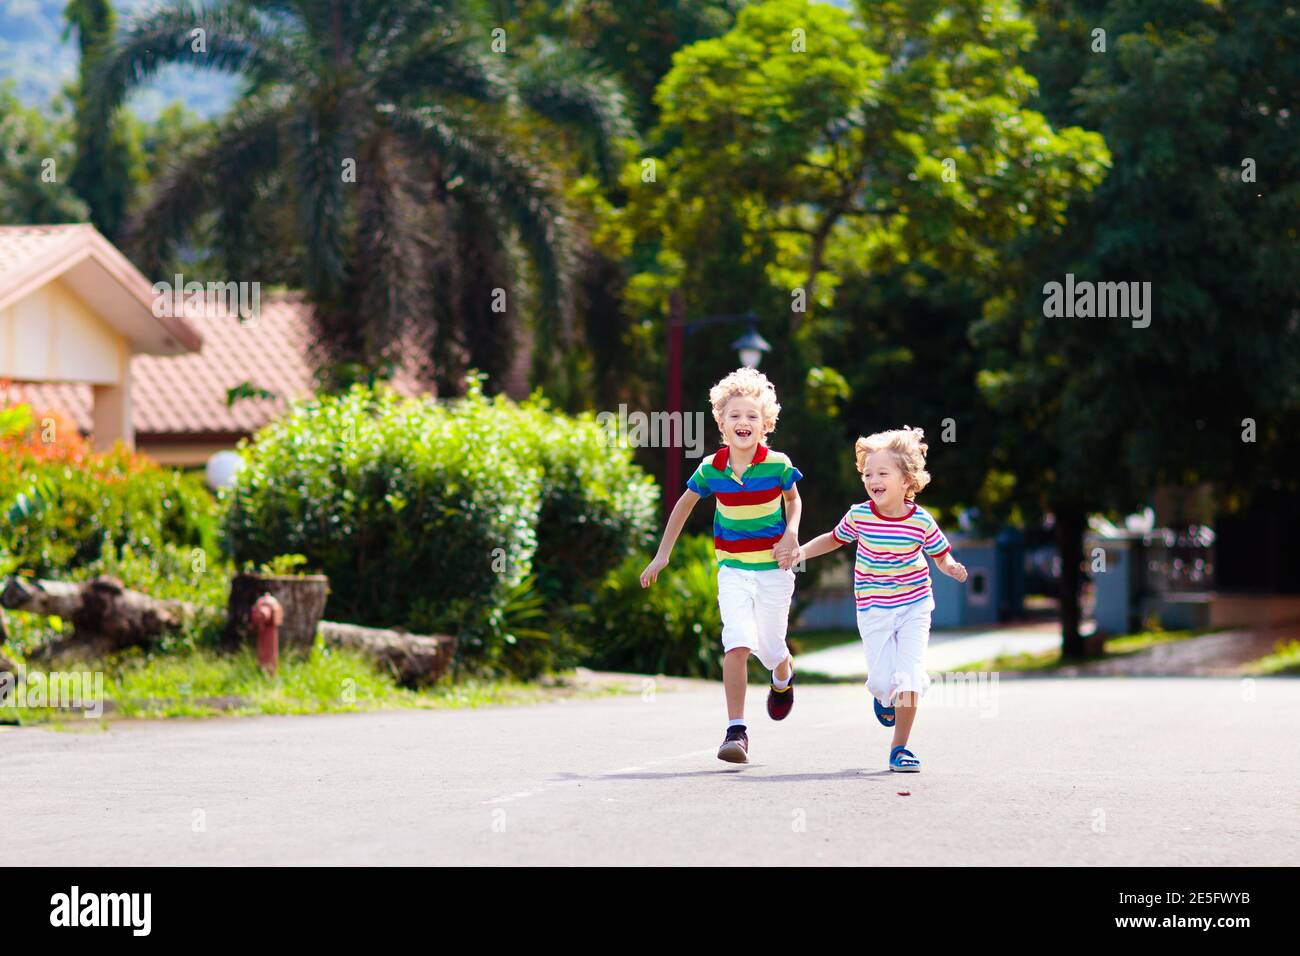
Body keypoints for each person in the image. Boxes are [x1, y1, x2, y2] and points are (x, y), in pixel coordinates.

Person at [777, 426, 966, 772]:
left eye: (882, 473)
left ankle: (900, 748)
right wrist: (799, 552)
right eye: (867, 473)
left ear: (907, 480)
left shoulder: (921, 521)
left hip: (914, 605)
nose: (872, 479)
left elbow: (941, 555)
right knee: (882, 681)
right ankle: (884, 696)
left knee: (909, 675)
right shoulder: (860, 515)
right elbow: (833, 540)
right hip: (874, 608)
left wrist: (951, 567)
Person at [641, 367, 804, 763]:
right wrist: (663, 554)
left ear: (765, 424)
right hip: (732, 569)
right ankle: (736, 731)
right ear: (721, 423)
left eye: (751, 416)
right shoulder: (710, 469)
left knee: (770, 649)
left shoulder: (778, 464)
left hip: (773, 572)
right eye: (734, 416)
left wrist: (791, 534)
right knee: (737, 642)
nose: (743, 422)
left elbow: (794, 501)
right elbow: (682, 508)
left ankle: (782, 675)